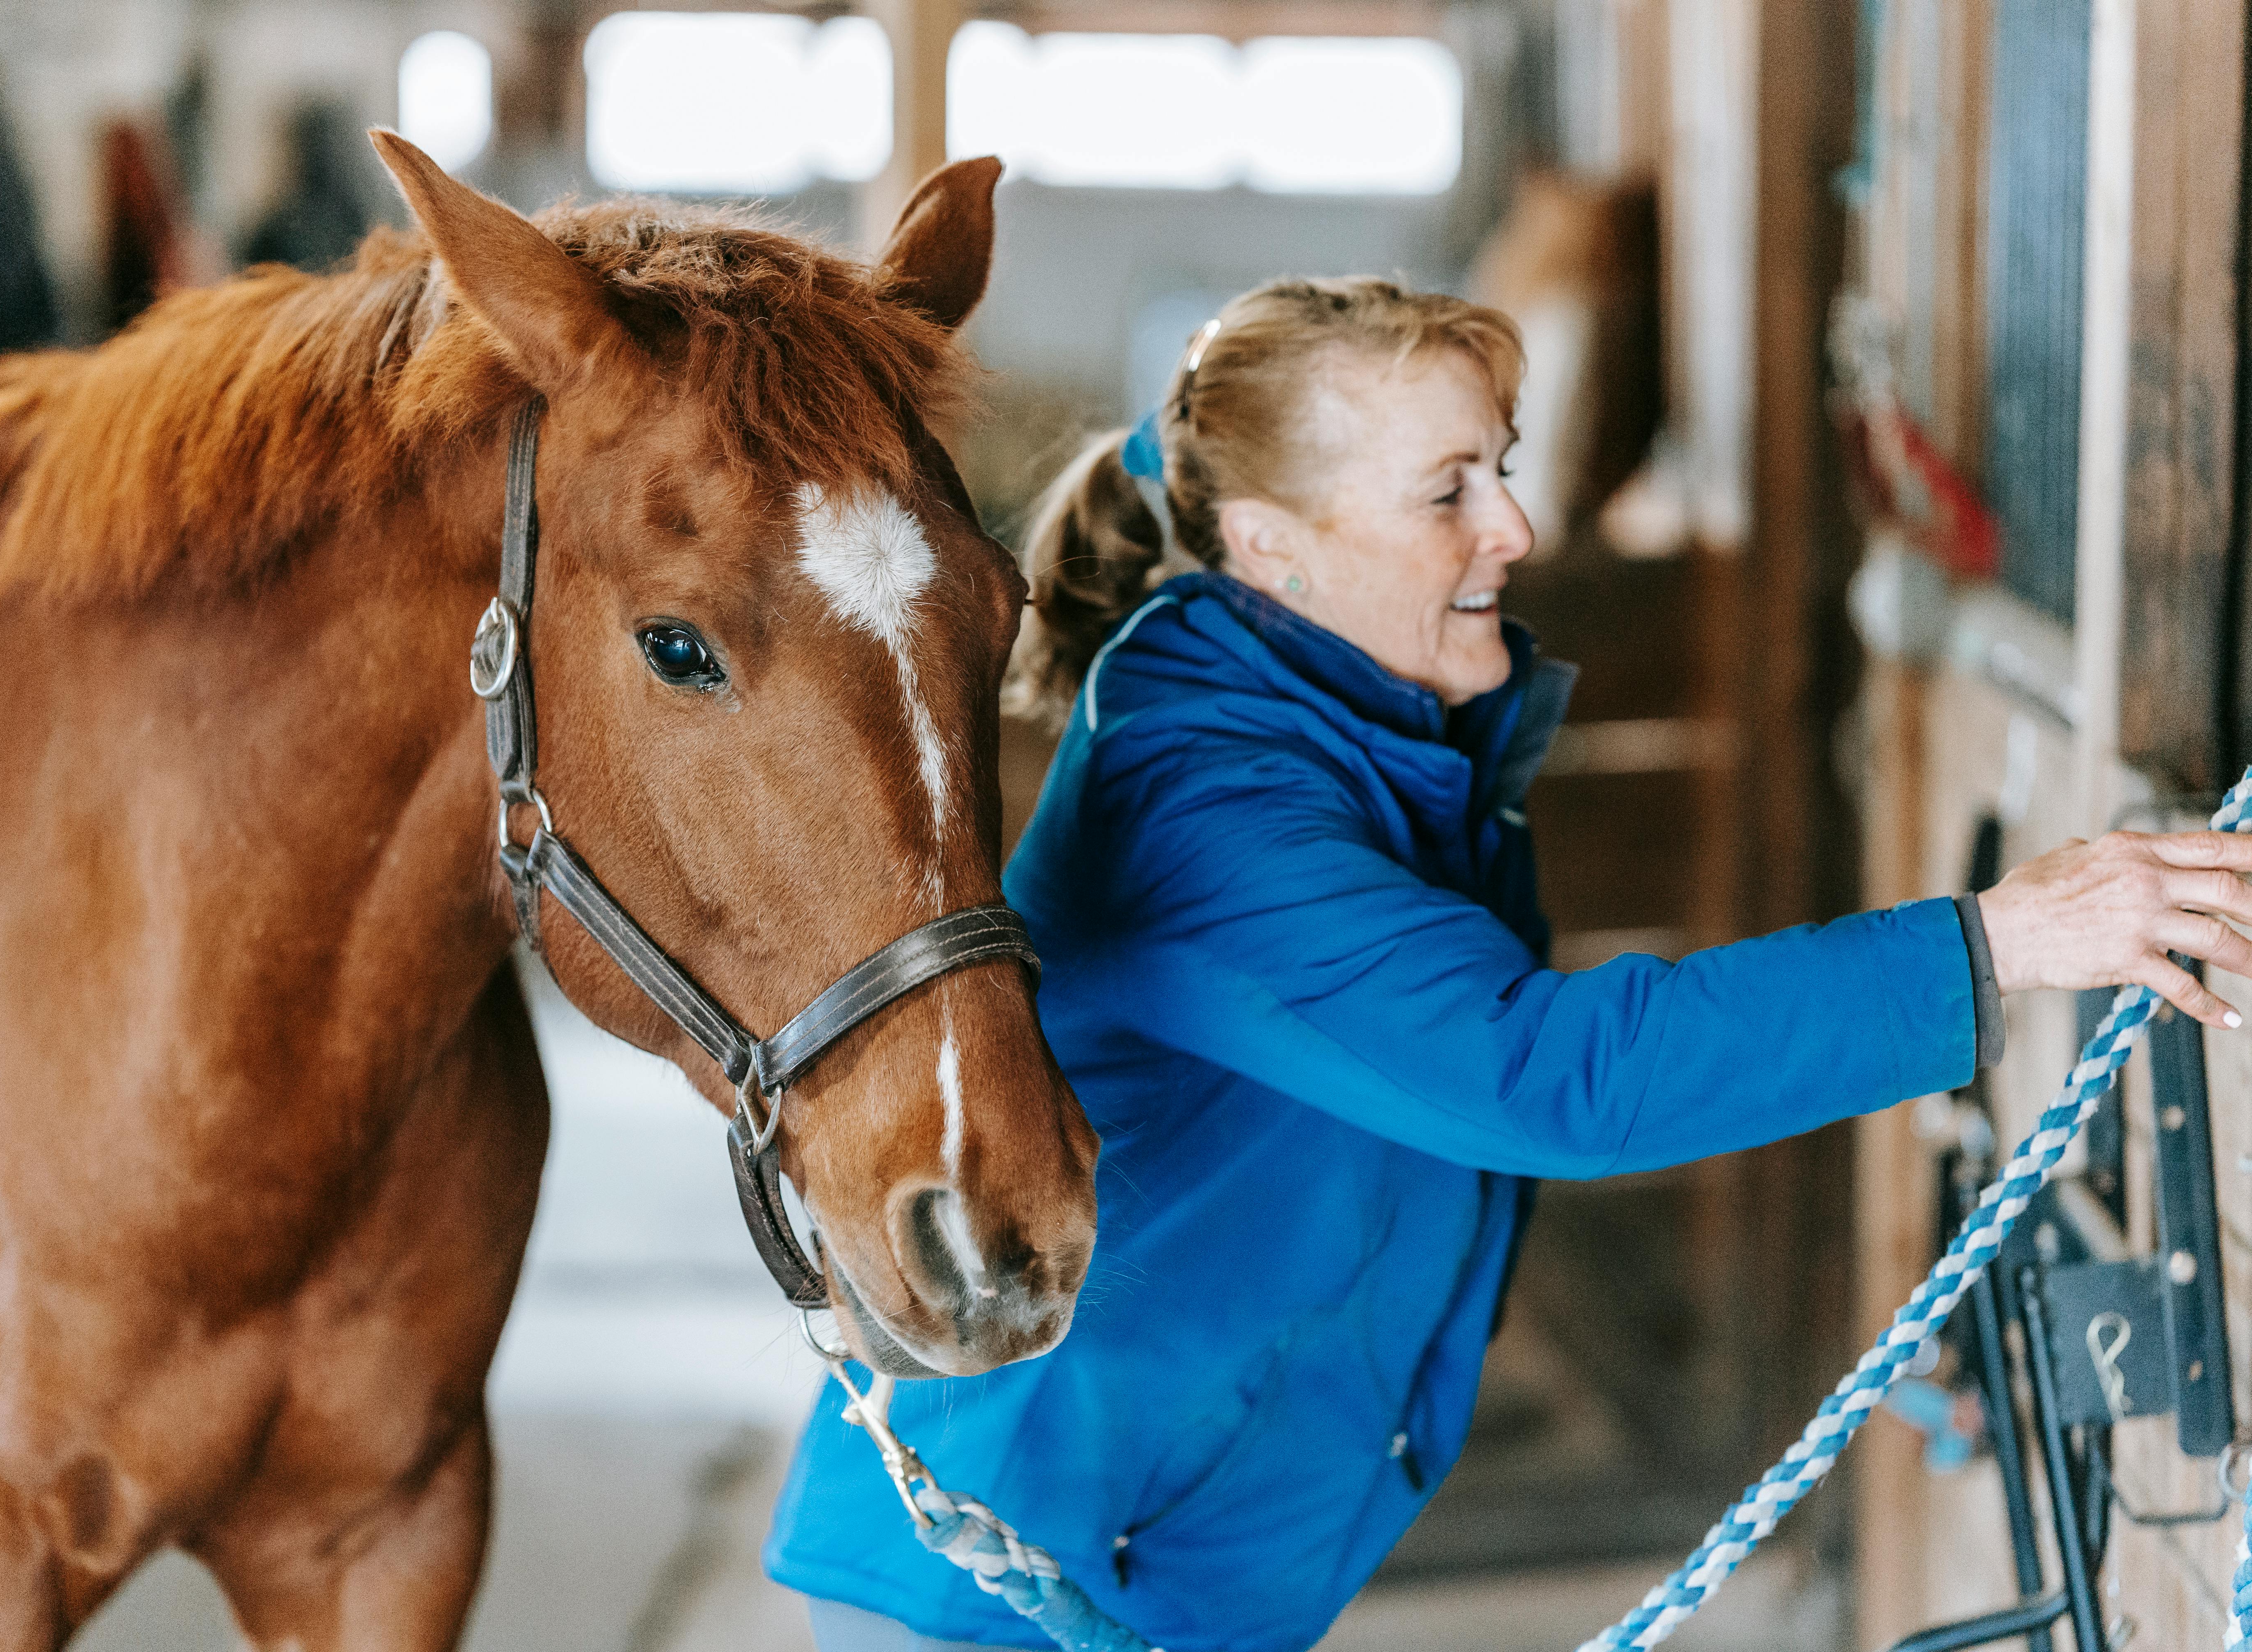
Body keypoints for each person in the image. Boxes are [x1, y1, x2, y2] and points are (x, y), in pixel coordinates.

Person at [762, 277, 2252, 1652]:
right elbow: (1542, 1074)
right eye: (1447, 492)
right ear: (1272, 544)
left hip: (1162, 1550)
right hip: (1016, 1581)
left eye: (1504, 464)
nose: (1516, 528)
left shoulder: (1375, 728)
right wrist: (2004, 940)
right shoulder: (1206, 798)